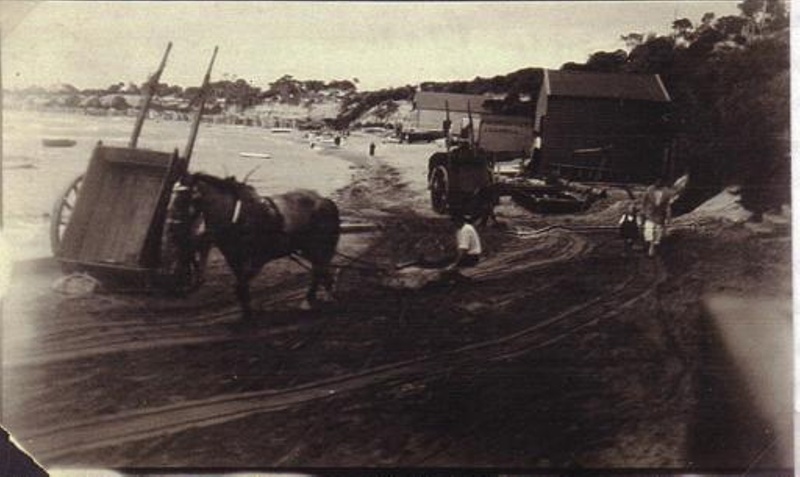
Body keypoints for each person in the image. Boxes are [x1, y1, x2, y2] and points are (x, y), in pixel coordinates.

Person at [641, 178, 675, 257]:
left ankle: (653, 247)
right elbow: (644, 202)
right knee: (649, 229)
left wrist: (668, 216)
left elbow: (667, 205)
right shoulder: (649, 190)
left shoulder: (667, 192)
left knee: (657, 232)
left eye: (660, 181)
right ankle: (650, 246)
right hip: (650, 213)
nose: (658, 183)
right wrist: (644, 211)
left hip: (660, 215)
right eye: (657, 181)